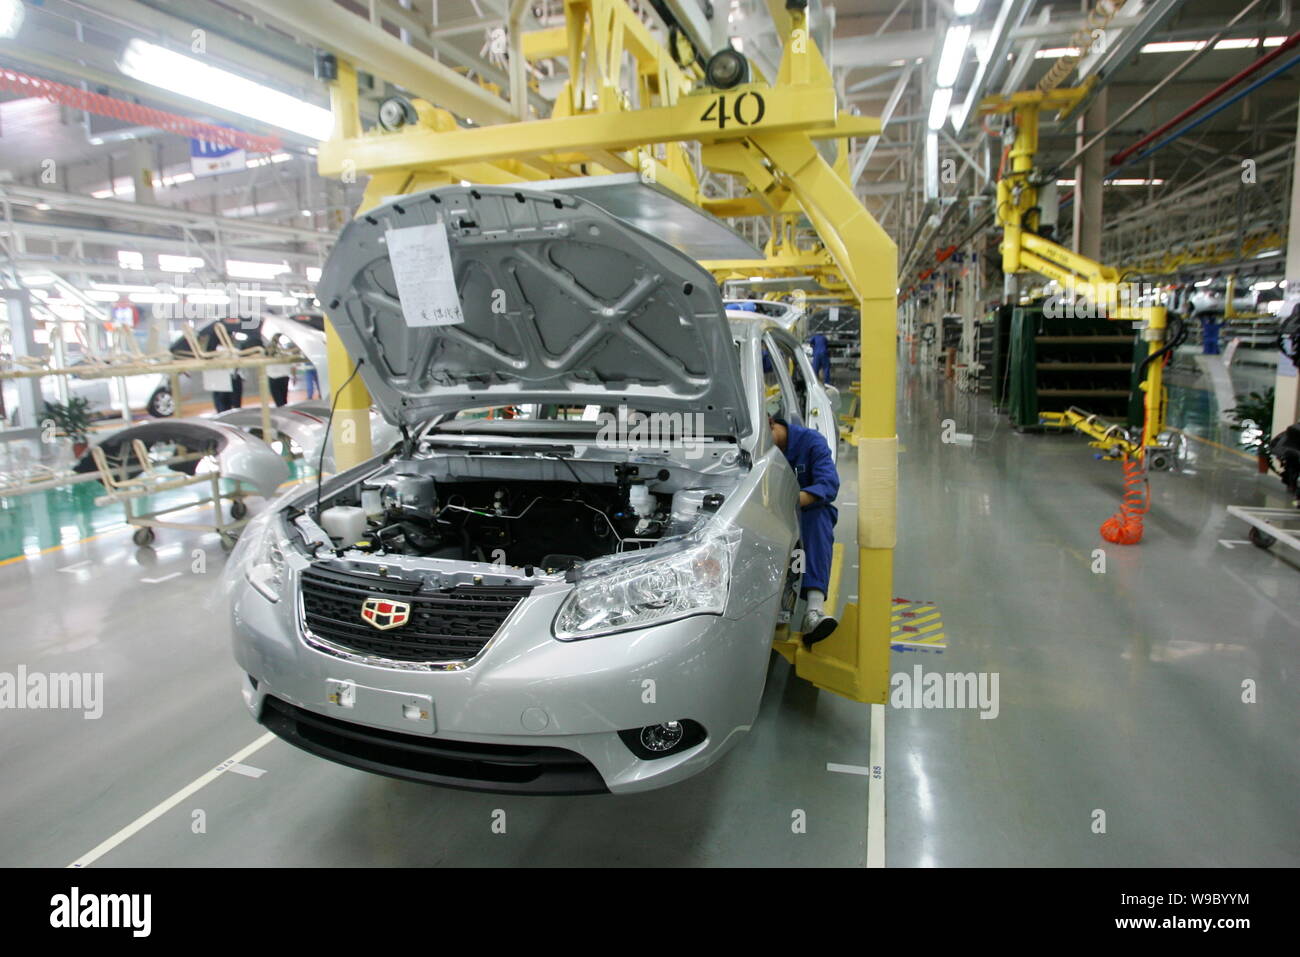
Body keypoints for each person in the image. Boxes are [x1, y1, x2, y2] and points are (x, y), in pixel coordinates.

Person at [769, 414, 839, 645]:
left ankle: (814, 611)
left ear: (771, 424)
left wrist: (791, 500)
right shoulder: (751, 449)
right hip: (769, 513)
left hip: (804, 513)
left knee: (820, 515)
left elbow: (829, 484)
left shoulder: (811, 442)